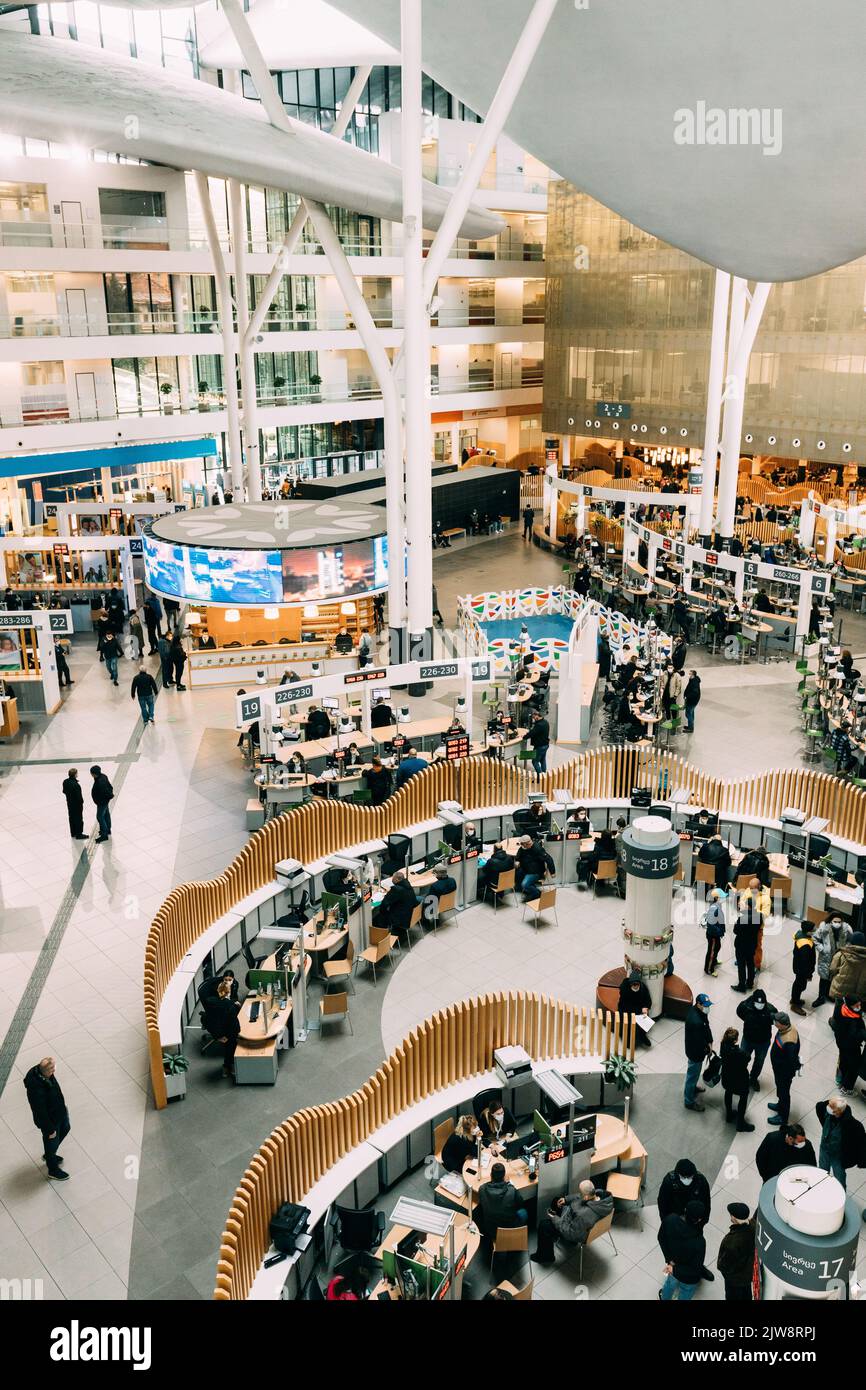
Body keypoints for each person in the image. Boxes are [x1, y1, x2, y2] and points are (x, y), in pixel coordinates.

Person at [531, 1181, 614, 1265]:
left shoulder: (584, 1215)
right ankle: (555, 1236)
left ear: (585, 1197)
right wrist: (566, 1199)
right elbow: (579, 1197)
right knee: (556, 1201)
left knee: (544, 1225)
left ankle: (545, 1256)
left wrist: (554, 1218)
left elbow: (570, 1233)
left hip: (573, 1231)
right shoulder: (602, 1198)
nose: (579, 1194)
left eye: (580, 1192)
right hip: (579, 1223)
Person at [23, 1057, 70, 1181]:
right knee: (51, 1142)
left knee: (66, 1128)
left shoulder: (46, 1074)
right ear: (44, 1071)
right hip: (50, 1121)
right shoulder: (36, 1088)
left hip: (59, 1111)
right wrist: (50, 1129)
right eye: (51, 1069)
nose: (54, 1071)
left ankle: (50, 1155)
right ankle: (52, 1169)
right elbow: (40, 1112)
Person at [658, 1201, 710, 1301]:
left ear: (685, 1211)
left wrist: (669, 1260)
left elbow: (661, 1238)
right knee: (686, 1292)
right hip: (688, 1278)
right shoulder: (699, 1242)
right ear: (699, 1220)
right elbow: (695, 1269)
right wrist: (675, 1269)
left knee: (670, 1284)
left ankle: (664, 1297)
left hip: (672, 1265)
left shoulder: (670, 1219)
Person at [815, 1095, 866, 1187]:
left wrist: (859, 1161)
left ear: (839, 1111)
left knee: (839, 1178)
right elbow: (819, 1106)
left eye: (831, 1107)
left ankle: (840, 1194)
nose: (828, 1107)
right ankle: (821, 1186)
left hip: (838, 1156)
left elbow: (860, 1145)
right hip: (824, 1149)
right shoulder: (825, 1111)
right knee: (822, 1171)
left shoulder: (854, 1126)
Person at [736, 987, 777, 1091]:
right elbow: (739, 1012)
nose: (760, 1005)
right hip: (748, 1040)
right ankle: (740, 1076)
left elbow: (775, 1020)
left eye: (762, 1003)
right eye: (758, 1003)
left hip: (763, 1042)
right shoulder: (745, 1006)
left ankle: (753, 1078)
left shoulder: (770, 1009)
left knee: (759, 1061)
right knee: (742, 1059)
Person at [203, 978, 241, 1080]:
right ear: (229, 992)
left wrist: (218, 1035)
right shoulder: (230, 1006)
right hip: (229, 1031)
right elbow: (233, 1021)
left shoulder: (211, 1003)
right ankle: (230, 1065)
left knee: (228, 1047)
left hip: (219, 1032)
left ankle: (227, 1066)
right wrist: (236, 1006)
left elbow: (210, 1020)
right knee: (231, 1045)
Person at [717, 1202, 756, 1302]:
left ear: (733, 1218)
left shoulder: (732, 1241)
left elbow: (724, 1265)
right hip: (747, 1276)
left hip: (735, 1281)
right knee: (746, 1294)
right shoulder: (753, 1227)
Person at [814, 914, 854, 1007]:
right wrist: (822, 949)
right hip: (826, 958)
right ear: (831, 921)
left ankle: (829, 995)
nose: (837, 923)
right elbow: (815, 939)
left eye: (839, 922)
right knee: (824, 978)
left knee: (833, 977)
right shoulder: (824, 929)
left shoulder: (845, 930)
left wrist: (846, 948)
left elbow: (850, 940)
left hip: (838, 957)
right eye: (835, 921)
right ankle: (821, 997)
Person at [768, 1012, 800, 1126]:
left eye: (776, 1022)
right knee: (780, 1090)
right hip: (779, 1069)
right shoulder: (786, 1029)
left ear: (782, 1024)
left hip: (784, 1073)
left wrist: (785, 1073)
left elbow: (792, 1061)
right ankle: (780, 1105)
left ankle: (783, 1117)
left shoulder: (789, 1040)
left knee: (784, 1093)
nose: (774, 1023)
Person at [720, 1026, 755, 1132]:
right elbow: (747, 1059)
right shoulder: (740, 1053)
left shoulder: (723, 1046)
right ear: (735, 1040)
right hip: (740, 1080)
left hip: (727, 1077)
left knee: (728, 1092)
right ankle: (740, 1123)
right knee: (743, 1098)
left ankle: (729, 1114)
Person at [657, 1158, 712, 1225]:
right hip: (674, 1221)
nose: (686, 1180)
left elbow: (706, 1202)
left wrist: (702, 1222)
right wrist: (666, 1222)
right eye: (683, 1177)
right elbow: (662, 1203)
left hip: (694, 1222)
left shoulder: (701, 1181)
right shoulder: (669, 1182)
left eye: (689, 1177)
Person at [731, 884, 764, 994]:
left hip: (741, 945)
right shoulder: (759, 916)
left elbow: (735, 931)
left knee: (741, 965)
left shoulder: (743, 918)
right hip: (752, 944)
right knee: (750, 963)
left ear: (748, 906)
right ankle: (750, 983)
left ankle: (741, 985)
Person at [476, 1162, 526, 1236]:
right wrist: (508, 1183)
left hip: (490, 1229)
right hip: (509, 1228)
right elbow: (520, 1203)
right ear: (504, 1176)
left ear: (491, 1175)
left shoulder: (482, 1188)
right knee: (523, 1212)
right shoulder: (511, 1190)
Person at [684, 992, 713, 1112]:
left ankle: (693, 1089)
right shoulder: (696, 1022)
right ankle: (689, 1101)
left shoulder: (699, 1012)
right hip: (695, 1053)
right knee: (692, 1075)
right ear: (699, 1004)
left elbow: (707, 1027)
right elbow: (699, 1041)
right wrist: (707, 1049)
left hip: (697, 1049)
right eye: (705, 1005)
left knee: (694, 1074)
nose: (708, 1008)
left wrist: (710, 1041)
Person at [831, 996, 866, 1094]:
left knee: (843, 1060)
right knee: (854, 1065)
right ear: (850, 1006)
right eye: (857, 1005)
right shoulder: (852, 1021)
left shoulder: (841, 1008)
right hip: (850, 1046)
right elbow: (855, 1035)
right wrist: (863, 1033)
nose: (859, 1007)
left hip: (841, 1042)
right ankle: (847, 1088)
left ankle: (840, 1079)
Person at [376, 869, 417, 939]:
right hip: (410, 915)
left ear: (397, 879)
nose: (392, 880)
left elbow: (385, 904)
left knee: (378, 916)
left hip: (400, 919)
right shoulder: (407, 885)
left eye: (393, 878)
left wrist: (383, 912)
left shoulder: (396, 890)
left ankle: (381, 937)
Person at [829, 930, 866, 1004]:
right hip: (857, 993)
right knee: (851, 1009)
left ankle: (836, 1015)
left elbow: (832, 969)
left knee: (839, 1006)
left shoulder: (841, 954)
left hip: (840, 988)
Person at [618, 971, 652, 1048]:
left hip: (638, 1009)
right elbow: (624, 1004)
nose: (636, 986)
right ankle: (627, 1040)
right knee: (629, 1022)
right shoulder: (625, 989)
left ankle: (642, 1035)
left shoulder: (643, 988)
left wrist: (645, 1007)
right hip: (626, 1009)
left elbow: (647, 1000)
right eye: (634, 984)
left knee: (645, 1018)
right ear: (630, 984)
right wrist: (637, 1012)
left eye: (637, 984)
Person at [514, 834, 554, 901]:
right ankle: (526, 889)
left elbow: (549, 859)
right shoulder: (524, 847)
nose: (521, 845)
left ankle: (537, 893)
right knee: (517, 874)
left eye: (522, 844)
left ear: (527, 844)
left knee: (524, 884)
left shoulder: (537, 849)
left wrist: (552, 872)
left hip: (536, 872)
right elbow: (519, 853)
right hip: (526, 870)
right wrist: (517, 860)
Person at [790, 920, 816, 1016]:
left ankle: (794, 999)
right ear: (808, 931)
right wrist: (809, 974)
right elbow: (806, 962)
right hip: (802, 970)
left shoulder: (801, 936)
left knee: (798, 984)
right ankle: (795, 1005)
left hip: (799, 968)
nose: (815, 930)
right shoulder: (805, 945)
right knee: (800, 985)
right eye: (813, 929)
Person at [702, 888, 726, 976]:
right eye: (722, 897)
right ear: (716, 898)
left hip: (716, 934)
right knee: (712, 950)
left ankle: (714, 961)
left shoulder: (717, 906)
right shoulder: (714, 908)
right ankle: (709, 969)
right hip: (713, 935)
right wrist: (720, 931)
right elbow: (711, 925)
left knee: (717, 947)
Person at [90, 764, 114, 842]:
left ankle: (104, 835)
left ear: (94, 774)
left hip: (102, 802)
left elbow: (105, 791)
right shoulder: (103, 776)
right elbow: (110, 787)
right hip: (104, 801)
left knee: (100, 816)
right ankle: (108, 830)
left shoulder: (100, 782)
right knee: (106, 814)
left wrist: (106, 798)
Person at [62, 767, 87, 840]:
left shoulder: (65, 781)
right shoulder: (76, 785)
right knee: (79, 819)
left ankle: (73, 832)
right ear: (75, 775)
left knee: (71, 817)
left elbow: (64, 791)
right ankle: (79, 834)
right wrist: (82, 802)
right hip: (77, 805)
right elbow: (79, 797)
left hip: (69, 803)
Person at [130, 661, 158, 725]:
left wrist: (133, 695)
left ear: (139, 671)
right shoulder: (149, 677)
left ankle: (145, 720)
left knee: (143, 707)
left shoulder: (136, 678)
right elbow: (153, 684)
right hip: (149, 694)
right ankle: (151, 716)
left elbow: (133, 687)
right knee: (151, 705)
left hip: (141, 695)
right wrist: (156, 692)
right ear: (146, 670)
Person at [525, 710, 550, 775]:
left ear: (537, 716)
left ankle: (541, 777)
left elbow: (532, 733)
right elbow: (536, 732)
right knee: (542, 760)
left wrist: (523, 737)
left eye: (534, 717)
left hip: (540, 746)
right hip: (545, 745)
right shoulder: (545, 722)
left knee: (535, 761)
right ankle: (544, 775)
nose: (533, 719)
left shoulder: (539, 725)